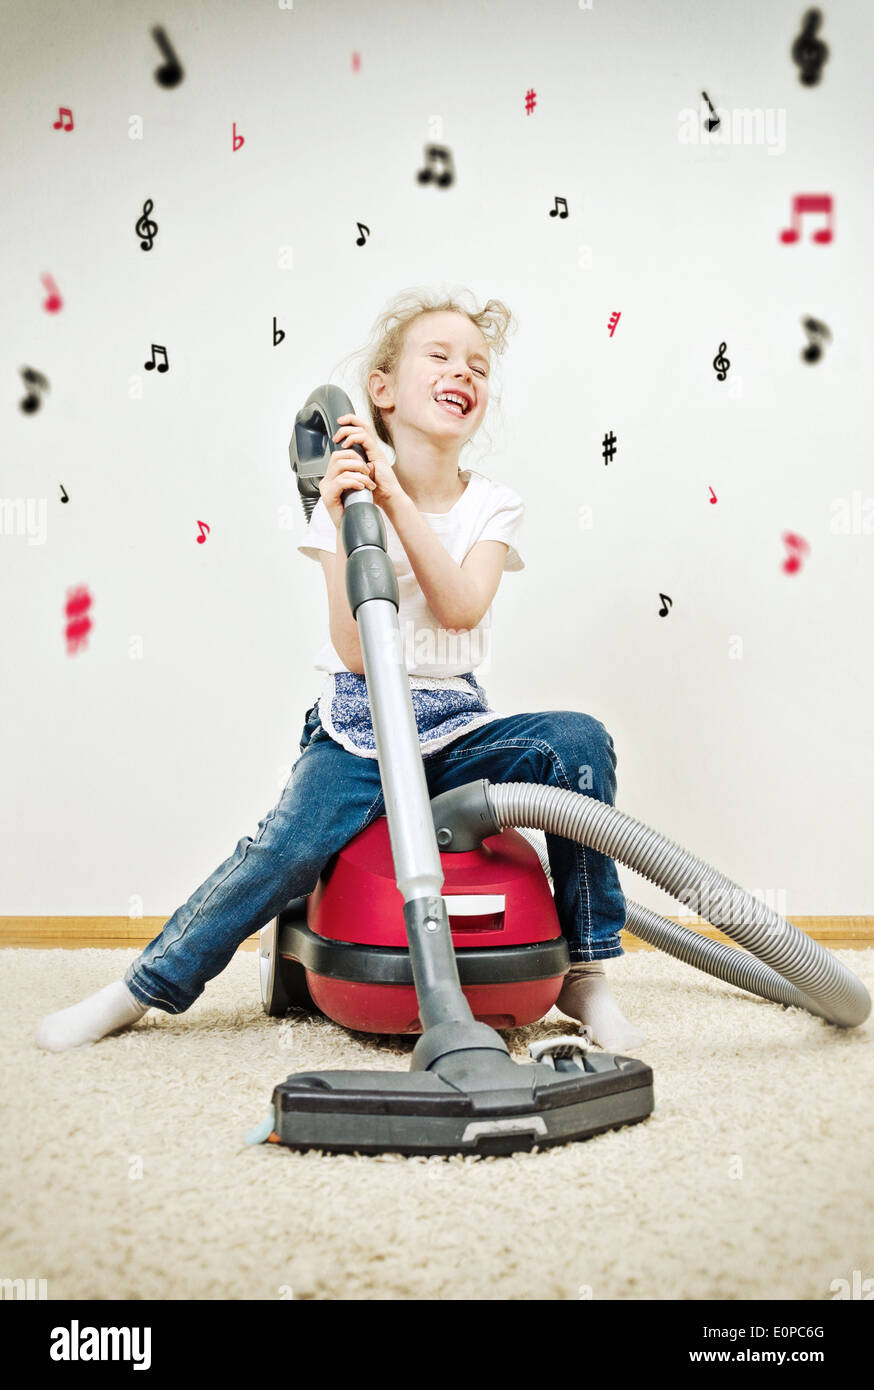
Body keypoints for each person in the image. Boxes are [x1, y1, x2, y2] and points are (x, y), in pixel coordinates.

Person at [35, 287, 645, 1055]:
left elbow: (459, 608)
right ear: (383, 391)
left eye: (479, 366)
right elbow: (359, 651)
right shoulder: (338, 498)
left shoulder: (493, 504)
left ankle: (587, 973)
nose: (463, 372)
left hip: (457, 729)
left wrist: (394, 502)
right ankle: (144, 987)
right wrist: (350, 512)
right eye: (441, 355)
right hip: (357, 730)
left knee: (577, 741)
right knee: (287, 850)